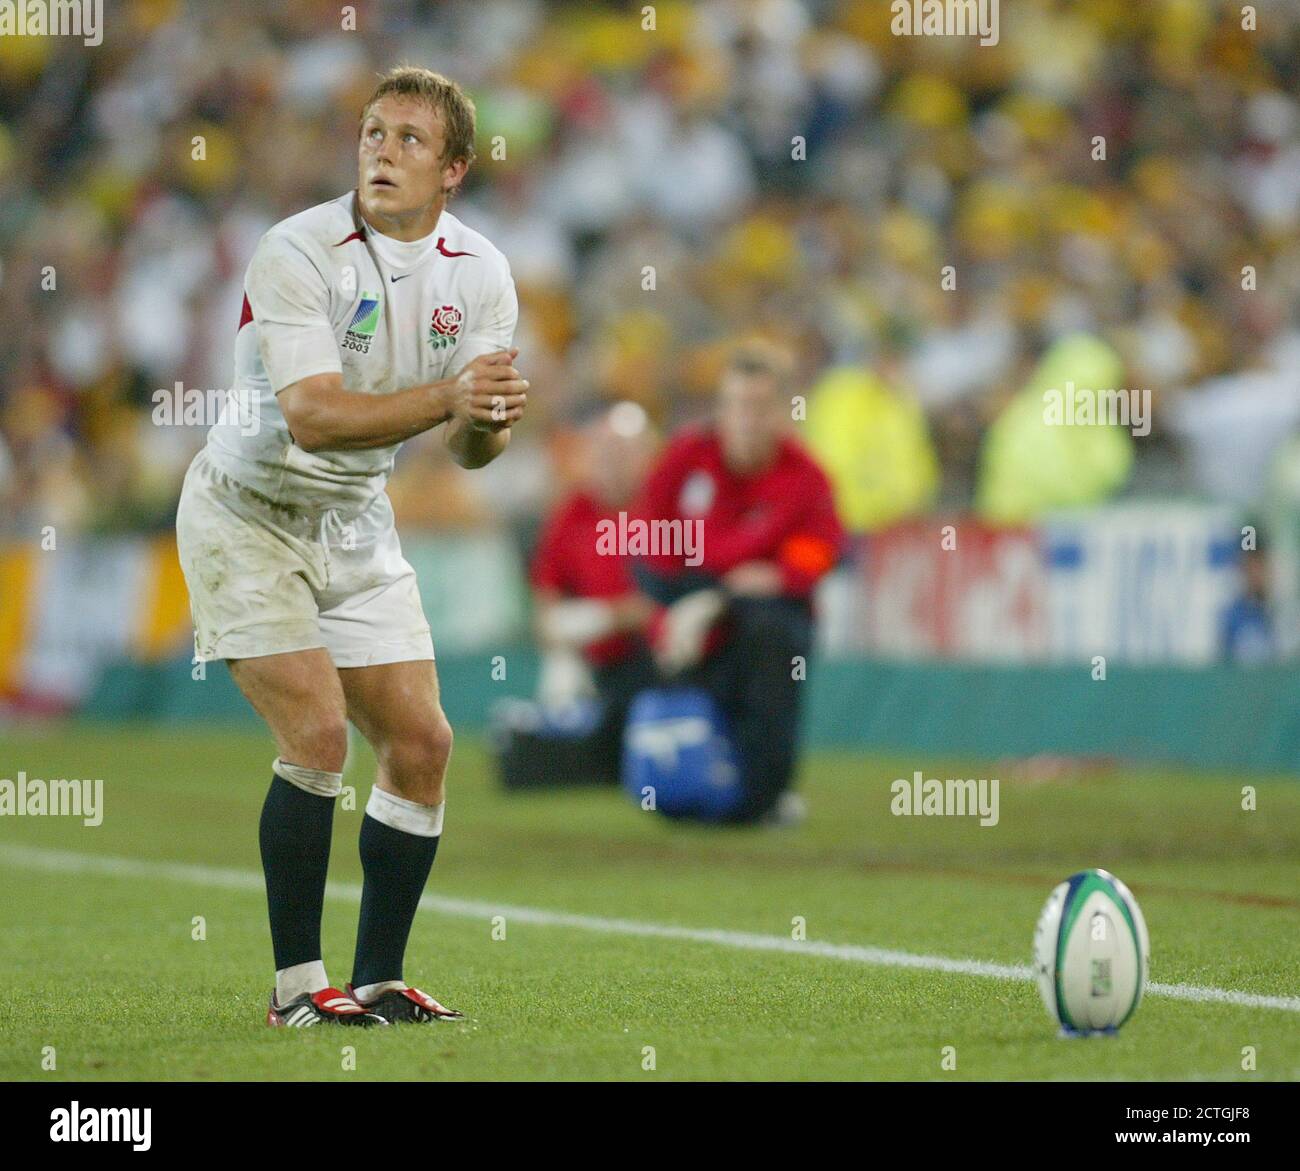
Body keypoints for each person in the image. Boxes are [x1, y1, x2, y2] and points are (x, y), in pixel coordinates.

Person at [175, 67, 527, 1026]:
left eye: (410, 139)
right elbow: (316, 417)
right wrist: (453, 398)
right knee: (320, 734)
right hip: (246, 511)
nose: (382, 150)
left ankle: (377, 978)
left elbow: (470, 448)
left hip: (355, 519)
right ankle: (297, 989)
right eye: (373, 132)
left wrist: (488, 419)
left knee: (421, 743)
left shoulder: (483, 273)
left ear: (453, 169)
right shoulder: (296, 249)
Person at [632, 340, 844, 824]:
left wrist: (771, 577)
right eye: (737, 406)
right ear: (721, 410)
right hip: (685, 604)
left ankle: (762, 797)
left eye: (760, 407)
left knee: (773, 638)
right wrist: (689, 603)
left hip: (762, 617)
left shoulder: (806, 477)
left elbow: (818, 552)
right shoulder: (685, 458)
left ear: (782, 413)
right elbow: (649, 544)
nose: (747, 419)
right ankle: (676, 782)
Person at [493, 401, 657, 788]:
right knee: (561, 669)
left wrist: (602, 619)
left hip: (648, 655)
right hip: (593, 657)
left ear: (645, 456)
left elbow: (660, 604)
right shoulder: (573, 512)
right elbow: (545, 605)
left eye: (623, 453)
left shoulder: (661, 509)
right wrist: (580, 628)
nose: (612, 464)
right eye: (604, 454)